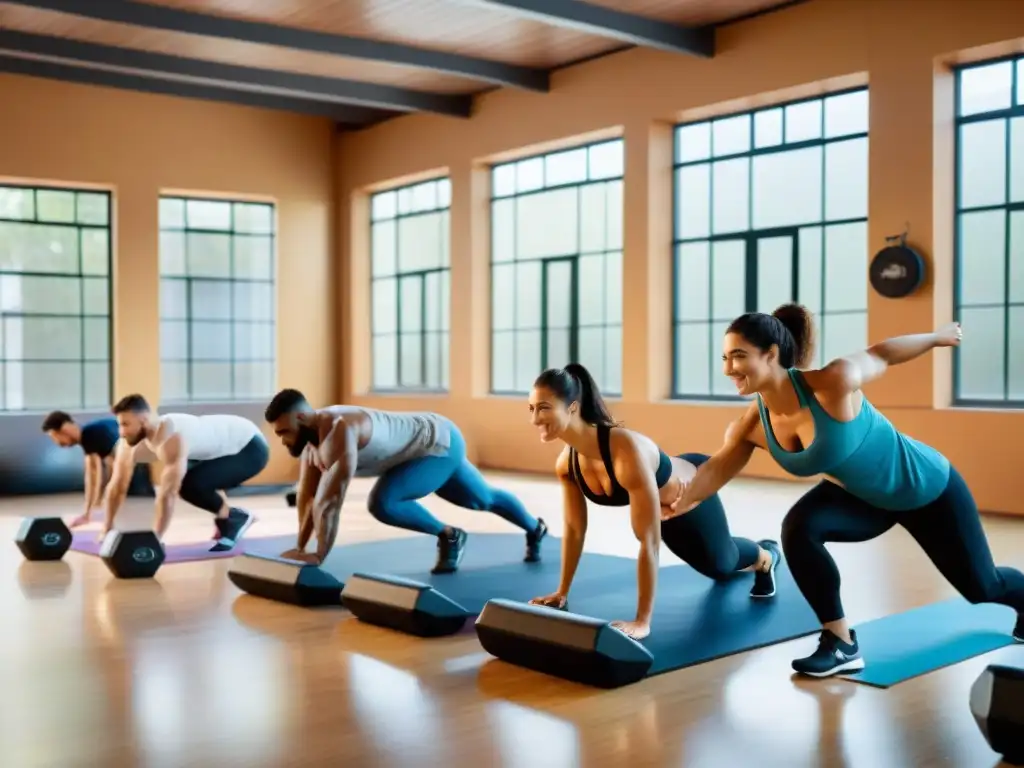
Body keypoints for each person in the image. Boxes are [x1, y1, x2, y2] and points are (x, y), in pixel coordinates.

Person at [665, 304, 1024, 677]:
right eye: (725, 358)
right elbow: (716, 469)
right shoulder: (750, 425)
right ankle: (840, 643)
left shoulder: (831, 383)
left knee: (984, 588)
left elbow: (882, 354)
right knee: (799, 528)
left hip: (924, 488)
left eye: (739, 356)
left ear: (770, 354)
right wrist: (677, 503)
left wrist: (937, 337)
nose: (728, 369)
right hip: (860, 498)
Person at [526, 363, 782, 641]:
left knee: (723, 562)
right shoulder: (567, 464)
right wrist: (561, 593)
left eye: (544, 408)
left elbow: (648, 541)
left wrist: (642, 621)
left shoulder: (625, 452)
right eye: (531, 408)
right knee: (715, 570)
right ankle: (745, 558)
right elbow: (575, 530)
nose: (535, 419)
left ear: (572, 407)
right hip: (663, 512)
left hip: (692, 487)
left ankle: (766, 556)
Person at [262, 389, 548, 573]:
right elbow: (308, 498)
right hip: (420, 448)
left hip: (438, 443)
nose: (283, 440)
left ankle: (451, 535)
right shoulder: (311, 447)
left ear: (302, 417)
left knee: (384, 503)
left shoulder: (339, 429)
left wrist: (318, 556)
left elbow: (330, 501)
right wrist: (300, 548)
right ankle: (535, 528)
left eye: (284, 431)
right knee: (481, 498)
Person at [103, 394, 269, 551]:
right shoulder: (127, 443)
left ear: (144, 420)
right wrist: (107, 528)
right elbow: (117, 486)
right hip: (217, 451)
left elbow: (168, 493)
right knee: (196, 482)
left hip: (249, 447)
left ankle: (233, 518)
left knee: (190, 486)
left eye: (126, 424)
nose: (121, 432)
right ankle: (229, 518)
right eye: (120, 424)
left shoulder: (171, 436)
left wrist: (155, 540)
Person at [42, 410, 122, 527]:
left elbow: (93, 477)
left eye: (55, 437)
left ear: (65, 429)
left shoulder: (89, 435)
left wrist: (87, 514)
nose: (58, 443)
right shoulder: (91, 435)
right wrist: (93, 508)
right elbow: (96, 474)